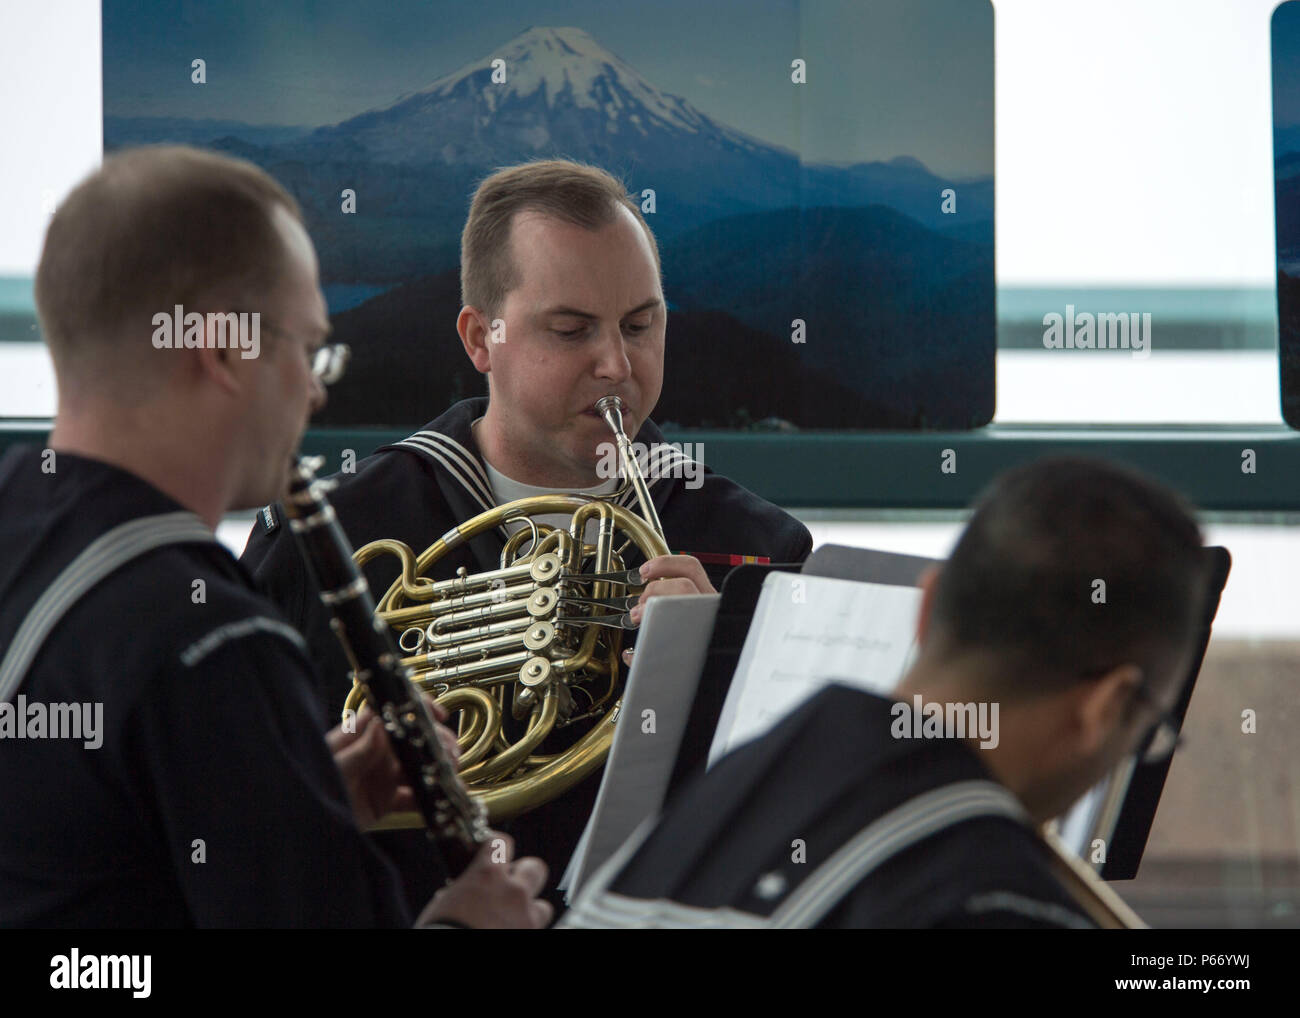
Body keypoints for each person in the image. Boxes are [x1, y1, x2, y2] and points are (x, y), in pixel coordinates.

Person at [0, 145, 550, 928]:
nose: (316, 388)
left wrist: (282, 799)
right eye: (307, 349)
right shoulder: (214, 640)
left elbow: (70, 854)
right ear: (224, 350)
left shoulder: (19, 516)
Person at [240, 159, 813, 906]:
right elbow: (231, 825)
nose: (617, 365)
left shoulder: (759, 551)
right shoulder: (330, 540)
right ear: (482, 340)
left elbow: (800, 837)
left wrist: (717, 669)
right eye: (571, 330)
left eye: (642, 325)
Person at [559, 456, 1212, 928]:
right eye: (1149, 726)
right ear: (1106, 709)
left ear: (924, 612)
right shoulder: (992, 900)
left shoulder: (710, 800)